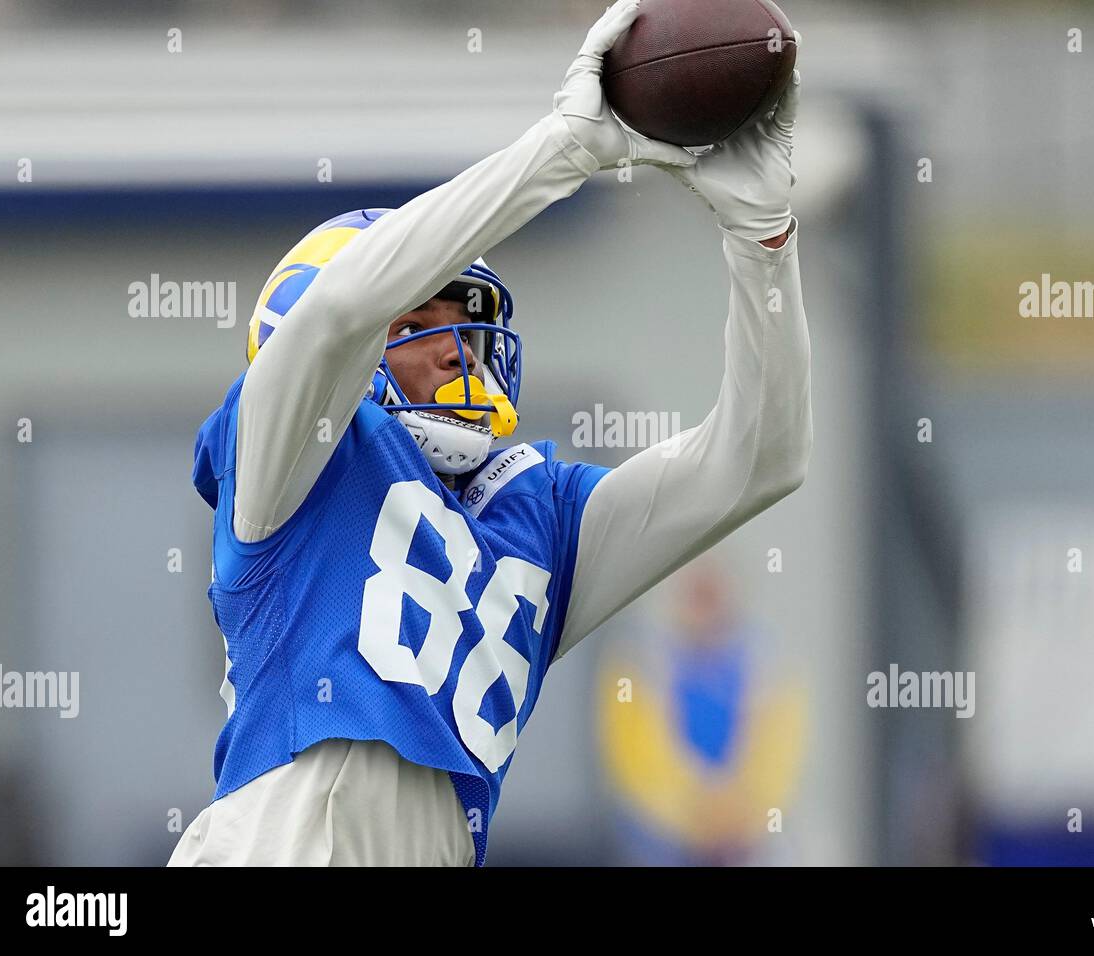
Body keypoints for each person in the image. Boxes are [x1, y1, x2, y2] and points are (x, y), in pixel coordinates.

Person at [169, 0, 810, 866]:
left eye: (459, 323)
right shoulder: (296, 456)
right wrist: (568, 147)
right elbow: (341, 306)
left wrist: (761, 238)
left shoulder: (533, 513)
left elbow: (760, 458)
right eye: (416, 322)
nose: (451, 349)